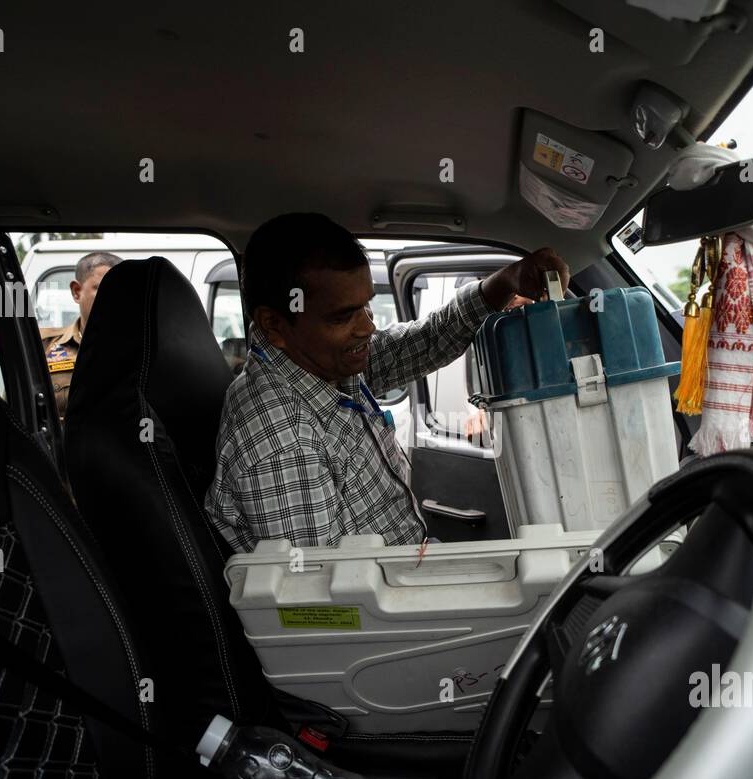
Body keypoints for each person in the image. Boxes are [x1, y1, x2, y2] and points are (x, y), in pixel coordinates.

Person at [204, 213, 568, 553]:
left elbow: (428, 340)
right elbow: (324, 599)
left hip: (405, 571)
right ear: (273, 324)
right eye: (343, 317)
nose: (367, 327)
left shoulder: (322, 365)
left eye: (366, 307)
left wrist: (504, 283)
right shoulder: (282, 441)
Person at [40, 251, 122, 421]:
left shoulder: (143, 350)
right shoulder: (43, 346)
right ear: (77, 292)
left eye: (120, 289)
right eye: (103, 288)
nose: (114, 297)